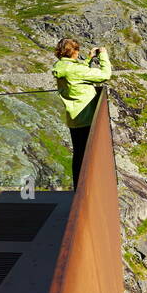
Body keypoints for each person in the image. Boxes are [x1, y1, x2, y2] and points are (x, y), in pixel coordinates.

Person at [51, 38, 112, 187]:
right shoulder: (75, 70)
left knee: (79, 153)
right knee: (89, 154)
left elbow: (76, 74)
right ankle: (87, 188)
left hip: (74, 117)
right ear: (74, 51)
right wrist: (103, 55)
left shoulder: (61, 66)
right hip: (86, 116)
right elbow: (105, 74)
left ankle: (80, 188)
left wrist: (89, 59)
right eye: (77, 50)